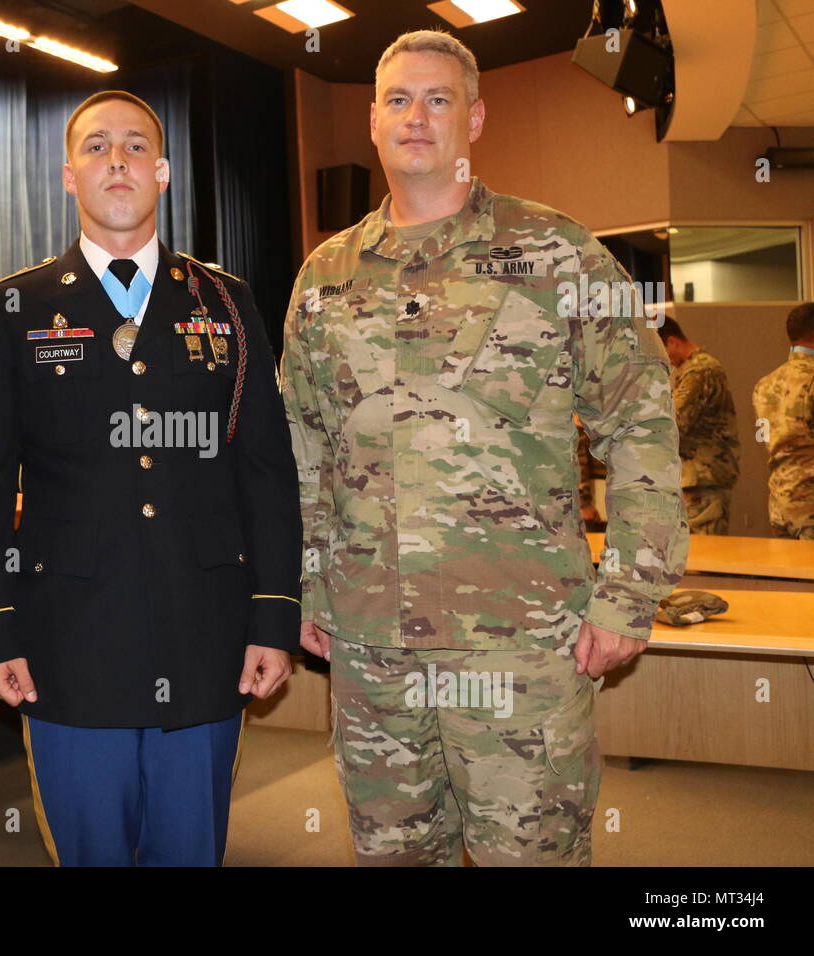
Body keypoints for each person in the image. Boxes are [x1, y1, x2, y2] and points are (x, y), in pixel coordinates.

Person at [281, 31, 688, 867]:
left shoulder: (557, 252)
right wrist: (307, 585)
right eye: (398, 100)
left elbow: (641, 421)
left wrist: (630, 594)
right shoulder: (327, 275)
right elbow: (303, 446)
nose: (416, 117)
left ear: (476, 116)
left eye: (438, 98)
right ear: (371, 121)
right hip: (372, 650)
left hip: (522, 649)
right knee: (393, 854)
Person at [0, 90, 301, 866]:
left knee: (188, 852)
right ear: (69, 175)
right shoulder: (17, 306)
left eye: (137, 146)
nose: (118, 160)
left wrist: (274, 614)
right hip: (68, 647)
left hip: (204, 638)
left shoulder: (227, 301)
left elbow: (266, 472)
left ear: (164, 172)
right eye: (98, 146)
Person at [657, 317, 740, 534]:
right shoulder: (687, 371)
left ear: (672, 342)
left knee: (703, 553)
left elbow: (672, 424)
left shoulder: (700, 370)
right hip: (694, 477)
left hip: (703, 478)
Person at [753, 302, 814, 540]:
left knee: (787, 577)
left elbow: (763, 437)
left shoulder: (764, 384)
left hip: (779, 502)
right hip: (810, 502)